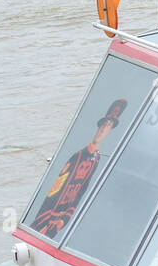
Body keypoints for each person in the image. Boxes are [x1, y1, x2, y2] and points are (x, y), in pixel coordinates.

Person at [31, 99, 128, 237]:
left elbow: (80, 193)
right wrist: (44, 221)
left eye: (108, 125)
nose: (103, 129)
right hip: (45, 219)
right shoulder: (78, 156)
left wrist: (62, 222)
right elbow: (55, 190)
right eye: (103, 124)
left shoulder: (96, 159)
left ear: (111, 130)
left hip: (57, 223)